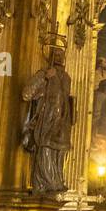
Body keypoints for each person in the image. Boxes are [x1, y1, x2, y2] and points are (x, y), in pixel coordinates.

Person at [22, 45, 74, 195]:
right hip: (46, 123)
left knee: (59, 154)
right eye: (55, 55)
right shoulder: (44, 74)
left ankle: (56, 182)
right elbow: (27, 93)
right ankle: (45, 184)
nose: (59, 58)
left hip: (62, 124)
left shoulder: (66, 78)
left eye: (61, 55)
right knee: (45, 151)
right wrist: (45, 77)